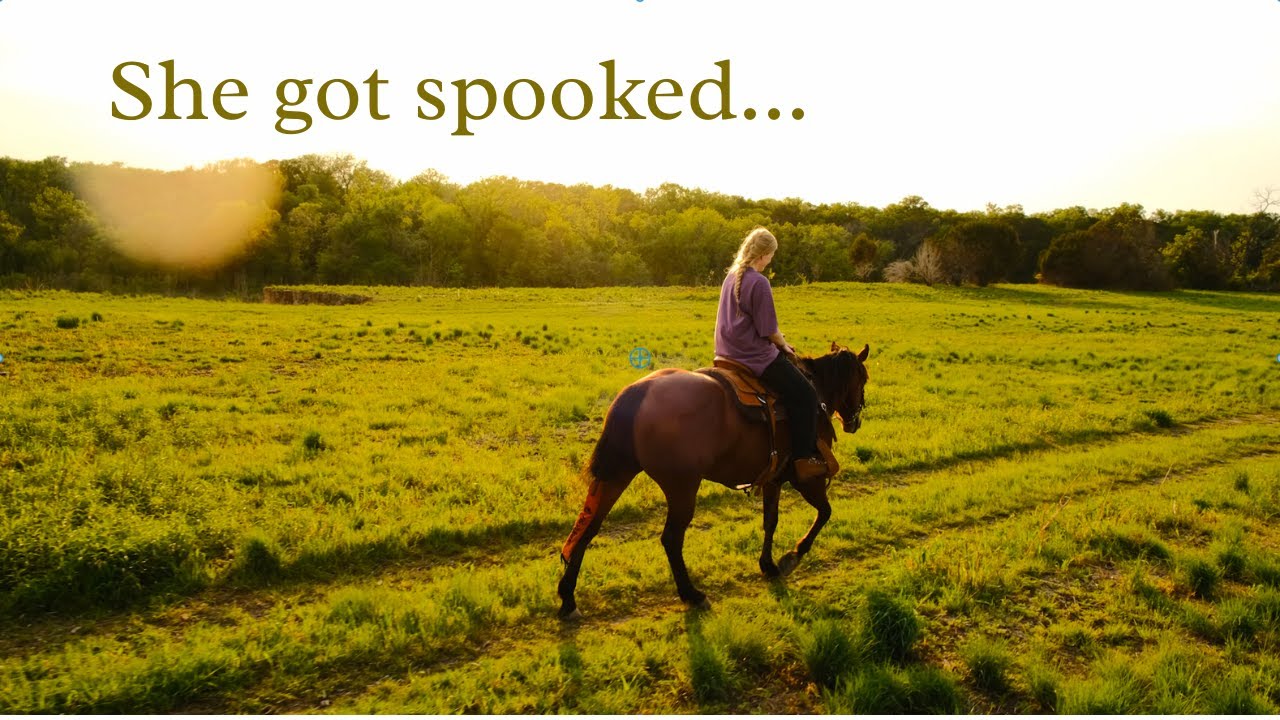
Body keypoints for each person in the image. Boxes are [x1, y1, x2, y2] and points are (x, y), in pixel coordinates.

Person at [714, 226, 828, 482]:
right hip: (753, 356)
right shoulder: (759, 282)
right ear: (764, 254)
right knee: (806, 395)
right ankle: (803, 460)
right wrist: (784, 344)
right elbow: (768, 331)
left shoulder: (731, 276)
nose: (771, 260)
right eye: (772, 255)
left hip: (726, 353)